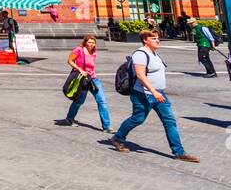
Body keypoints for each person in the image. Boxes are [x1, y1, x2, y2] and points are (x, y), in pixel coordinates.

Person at [110, 31, 199, 163]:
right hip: (143, 94)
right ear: (145, 40)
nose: (157, 40)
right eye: (153, 38)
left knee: (169, 121)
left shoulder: (155, 54)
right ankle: (118, 138)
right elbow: (140, 75)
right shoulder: (140, 54)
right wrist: (154, 92)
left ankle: (179, 152)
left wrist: (158, 92)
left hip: (159, 94)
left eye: (158, 38)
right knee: (138, 118)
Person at [57, 33, 112, 132]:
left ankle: (107, 127)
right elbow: (70, 61)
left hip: (93, 79)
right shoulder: (79, 50)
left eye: (93, 43)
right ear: (85, 42)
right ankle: (70, 118)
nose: (91, 44)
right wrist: (80, 69)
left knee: (102, 101)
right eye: (89, 42)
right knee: (79, 101)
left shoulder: (93, 52)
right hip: (82, 79)